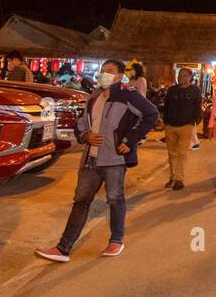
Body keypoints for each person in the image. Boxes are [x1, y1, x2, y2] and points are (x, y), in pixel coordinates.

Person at [35, 59, 158, 263]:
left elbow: (151, 114)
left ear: (120, 76)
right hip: (90, 159)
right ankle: (63, 248)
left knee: (115, 199)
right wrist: (85, 136)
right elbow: (81, 124)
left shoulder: (128, 95)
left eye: (109, 71)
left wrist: (130, 140)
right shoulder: (94, 98)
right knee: (80, 201)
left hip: (114, 158)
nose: (104, 74)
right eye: (102, 71)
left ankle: (116, 240)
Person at [161, 67, 202, 191]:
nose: (181, 77)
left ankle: (179, 179)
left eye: (184, 75)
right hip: (170, 126)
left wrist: (193, 121)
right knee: (171, 154)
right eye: (179, 74)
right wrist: (166, 121)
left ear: (190, 77)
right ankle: (172, 177)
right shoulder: (172, 90)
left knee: (182, 153)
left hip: (186, 126)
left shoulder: (195, 90)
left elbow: (197, 106)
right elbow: (166, 106)